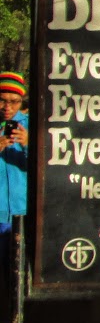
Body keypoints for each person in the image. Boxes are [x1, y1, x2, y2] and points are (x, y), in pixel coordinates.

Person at [0, 71, 27, 229]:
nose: (7, 107)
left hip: (22, 209)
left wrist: (29, 143)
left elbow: (47, 164)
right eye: (2, 100)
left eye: (14, 102)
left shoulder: (32, 124)